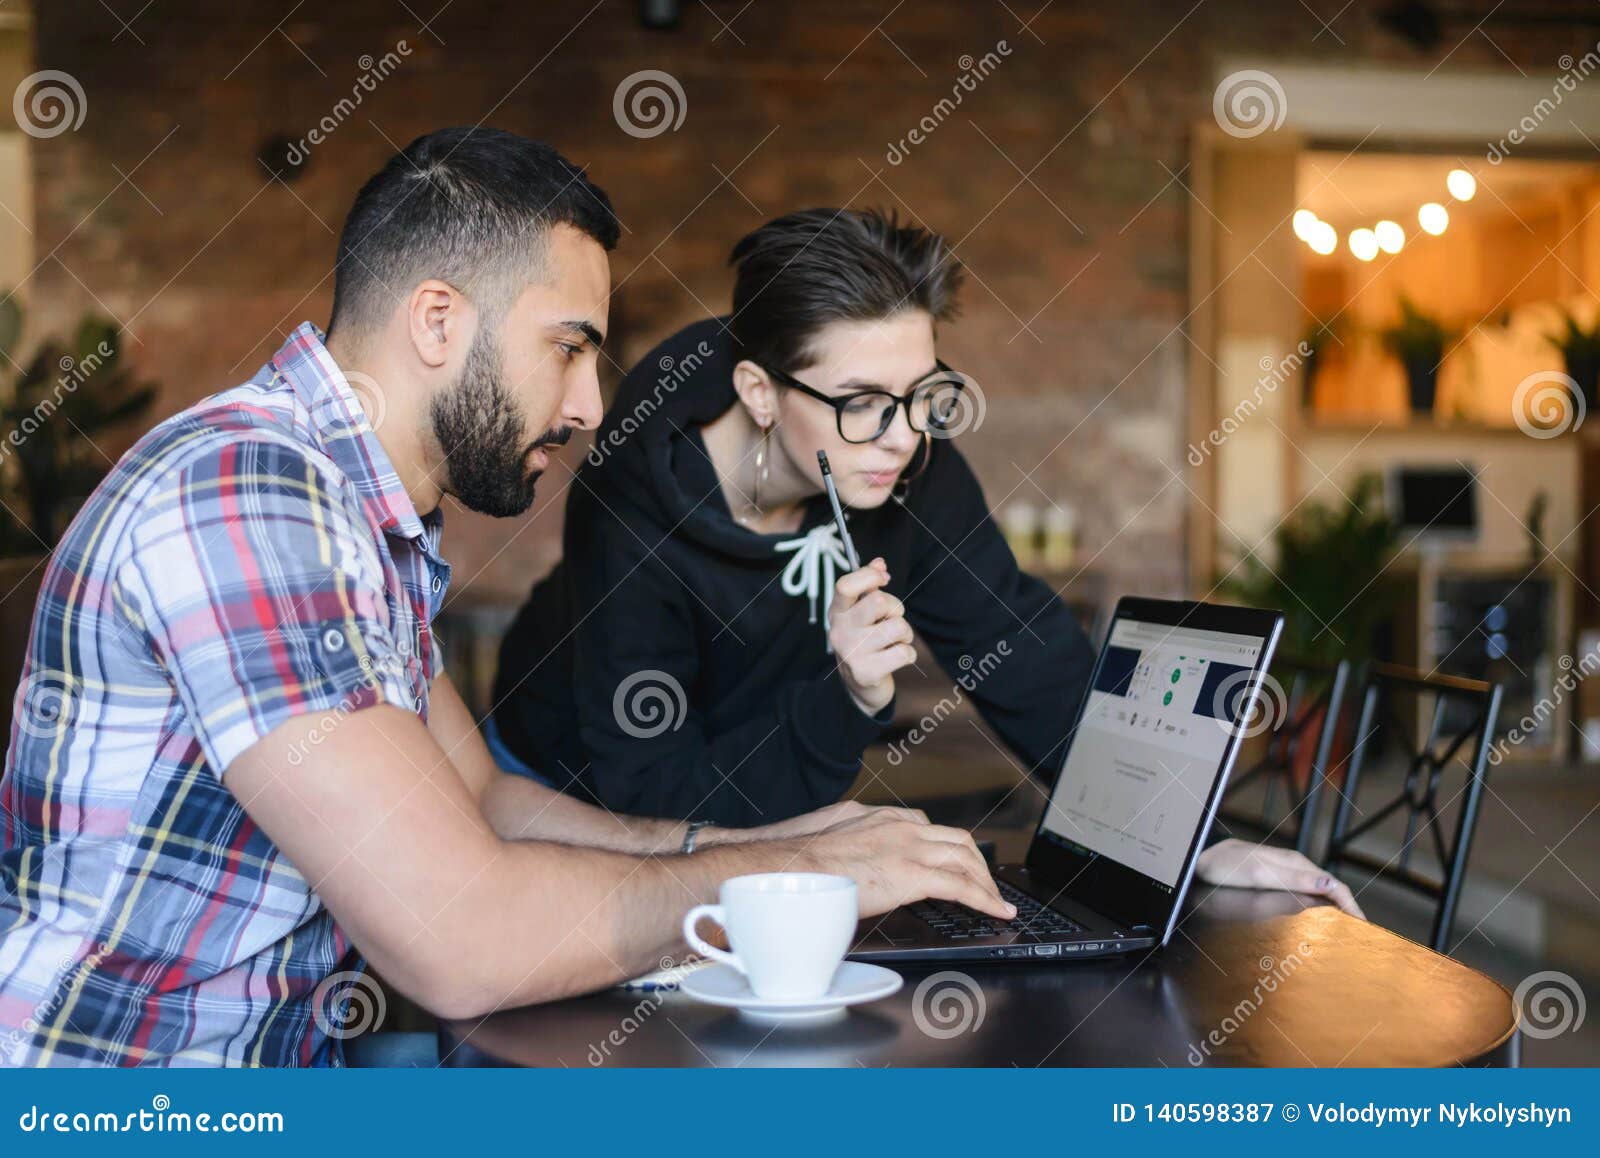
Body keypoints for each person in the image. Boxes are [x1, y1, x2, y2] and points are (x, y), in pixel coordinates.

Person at [0, 132, 1010, 1068]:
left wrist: (770, 847)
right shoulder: (251, 500)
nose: (588, 407)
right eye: (568, 347)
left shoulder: (355, 515)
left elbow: (484, 800)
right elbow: (461, 942)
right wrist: (790, 886)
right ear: (439, 321)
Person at [489, 208, 1364, 917]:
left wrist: (1185, 842)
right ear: (760, 392)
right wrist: (844, 704)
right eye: (864, 404)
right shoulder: (636, 491)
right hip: (577, 803)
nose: (904, 436)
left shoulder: (907, 465)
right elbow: (655, 791)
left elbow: (1022, 647)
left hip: (757, 813)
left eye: (921, 394)